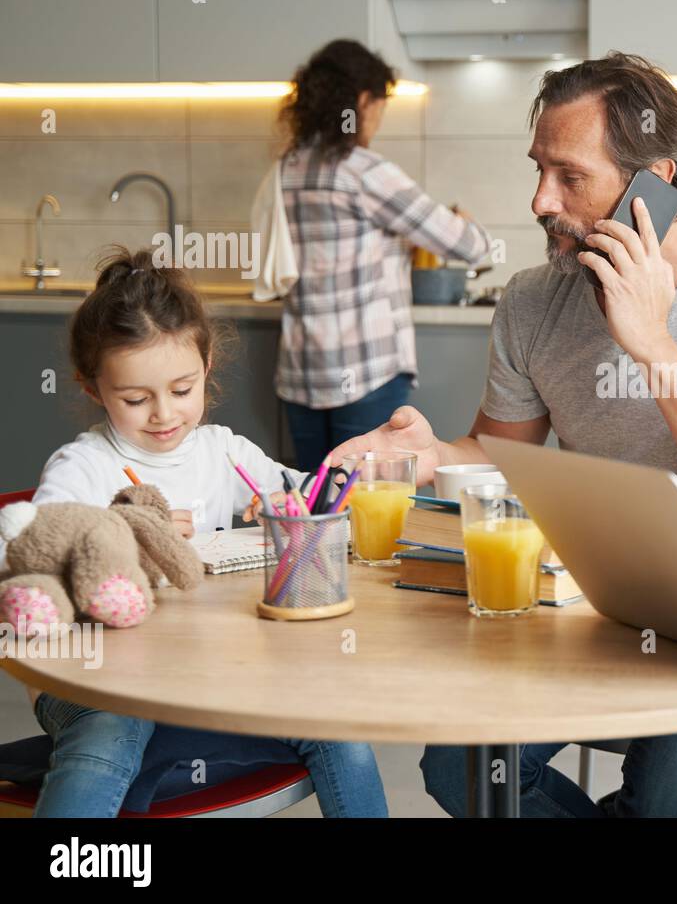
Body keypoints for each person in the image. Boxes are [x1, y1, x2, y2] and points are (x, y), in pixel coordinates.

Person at [332, 52, 677, 816]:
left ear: (653, 186)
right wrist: (427, 455)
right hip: (590, 599)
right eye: (537, 170)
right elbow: (500, 452)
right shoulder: (533, 301)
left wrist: (653, 342)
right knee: (463, 771)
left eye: (570, 177)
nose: (539, 200)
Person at [0, 248, 388, 817]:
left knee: (338, 728)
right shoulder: (81, 466)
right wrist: (123, 536)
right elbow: (34, 552)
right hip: (93, 684)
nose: (163, 414)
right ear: (92, 389)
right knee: (110, 735)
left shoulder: (224, 452)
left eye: (181, 390)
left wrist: (293, 505)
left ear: (206, 367)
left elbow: (323, 503)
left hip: (202, 676)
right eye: (135, 399)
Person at [273, 39, 493, 470]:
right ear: (361, 101)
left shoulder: (287, 166)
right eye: (379, 106)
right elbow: (468, 245)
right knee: (370, 503)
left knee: (317, 506)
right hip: (365, 370)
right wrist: (466, 222)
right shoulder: (364, 171)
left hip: (301, 372)